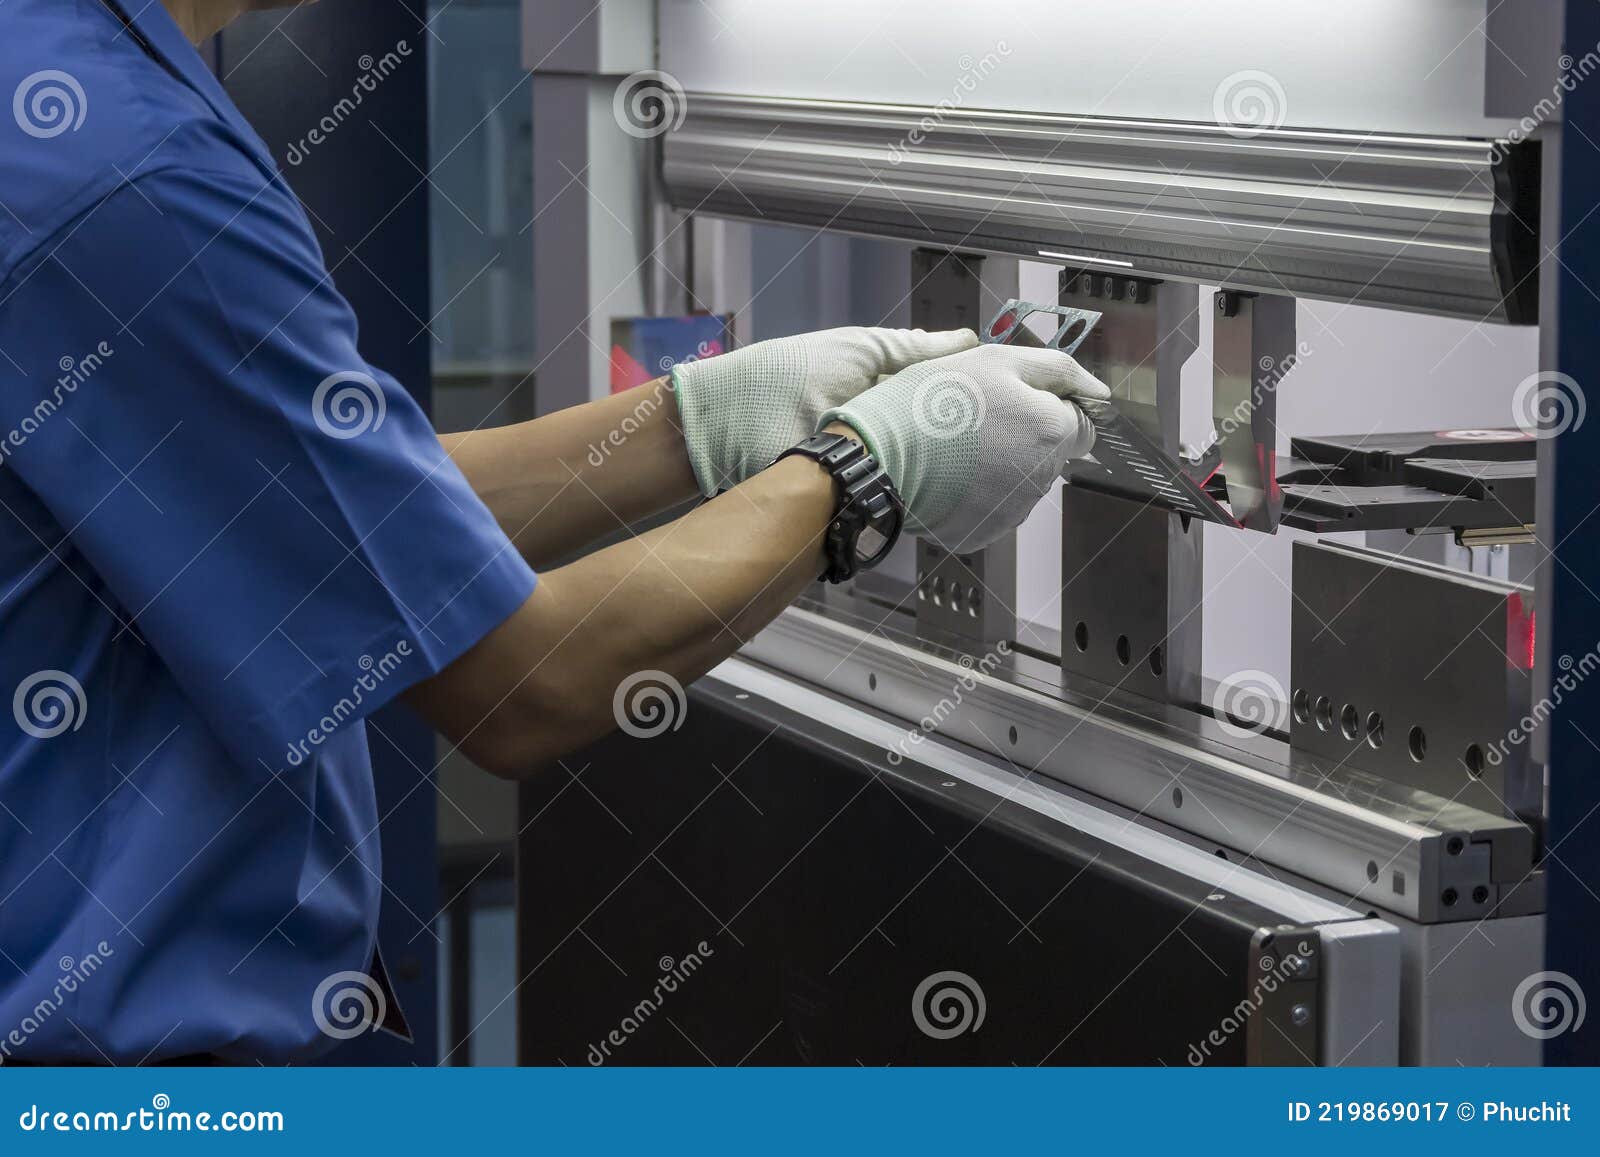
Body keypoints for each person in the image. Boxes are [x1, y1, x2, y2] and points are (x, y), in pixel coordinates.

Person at [0, 0, 1107, 1063]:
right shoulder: (129, 179)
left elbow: (334, 510)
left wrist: (702, 420)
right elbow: (524, 685)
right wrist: (866, 471)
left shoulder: (68, 89)